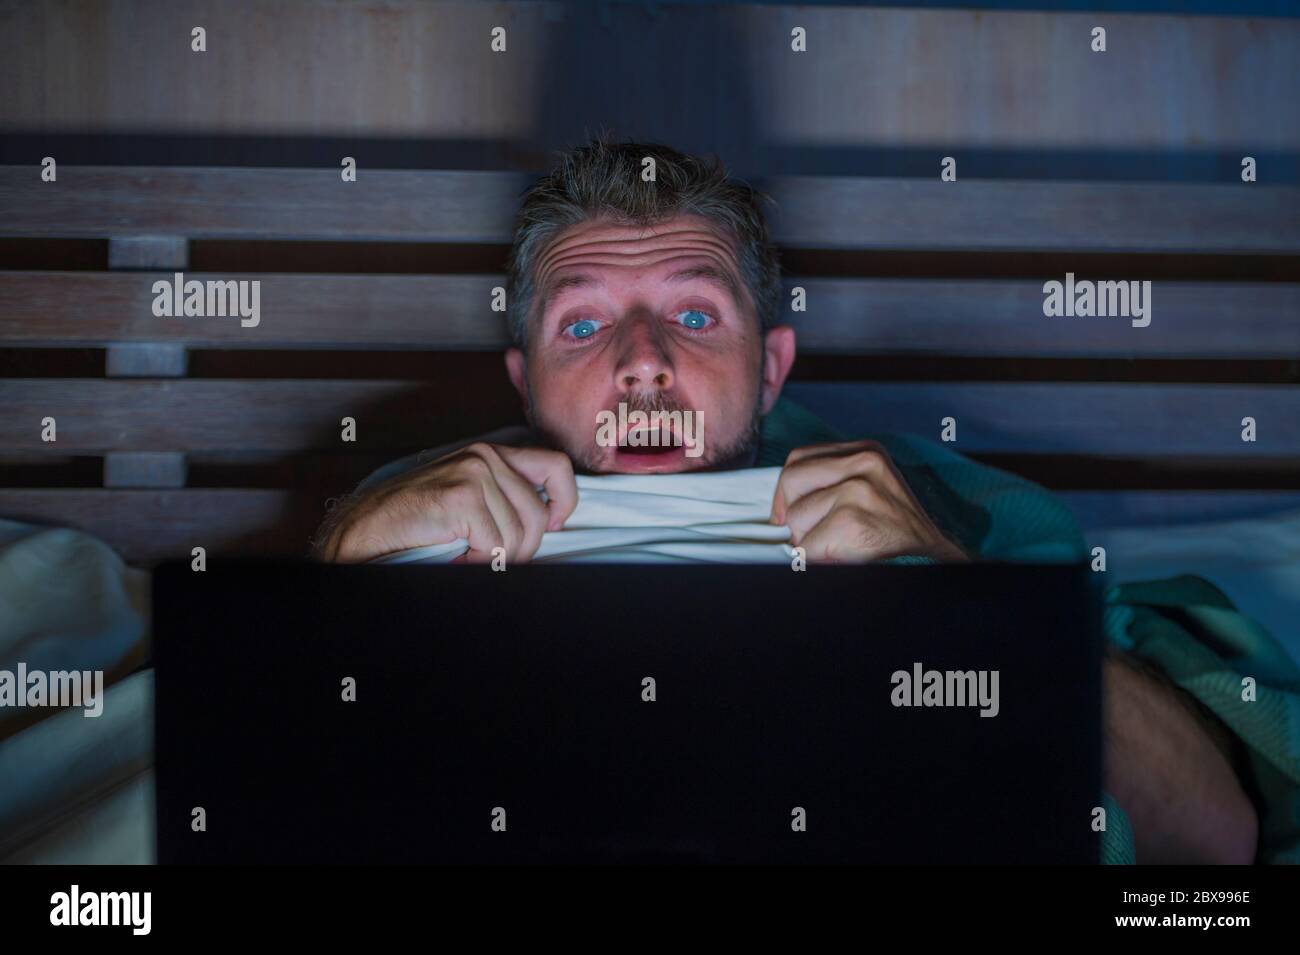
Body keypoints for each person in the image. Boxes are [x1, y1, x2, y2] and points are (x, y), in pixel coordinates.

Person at [314, 135, 1285, 864]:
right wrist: (344, 556)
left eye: (694, 314)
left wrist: (966, 596)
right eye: (584, 325)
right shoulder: (418, 511)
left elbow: (1213, 846)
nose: (643, 362)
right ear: (525, 381)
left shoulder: (952, 511)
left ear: (770, 367)